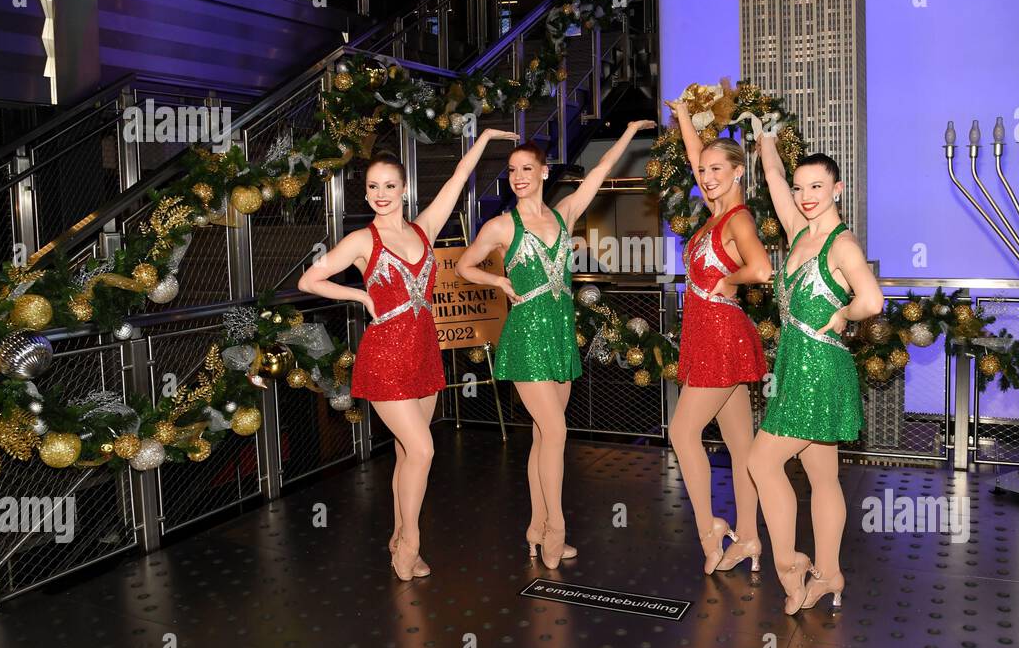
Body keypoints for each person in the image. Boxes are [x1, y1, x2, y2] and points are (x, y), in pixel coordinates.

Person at [297, 127, 519, 581]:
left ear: (405, 189)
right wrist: (361, 298)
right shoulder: (362, 240)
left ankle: (400, 536)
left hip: (423, 355)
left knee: (405, 455)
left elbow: (458, 178)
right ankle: (410, 546)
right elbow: (309, 281)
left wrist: (485, 138)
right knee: (423, 450)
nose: (381, 194)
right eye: (373, 187)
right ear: (366, 192)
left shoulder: (424, 229)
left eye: (390, 186)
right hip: (384, 358)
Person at [457, 120, 656, 569]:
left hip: (560, 335)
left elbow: (601, 171)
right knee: (557, 433)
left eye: (527, 168)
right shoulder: (501, 226)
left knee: (543, 437)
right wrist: (499, 280)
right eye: (512, 170)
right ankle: (556, 532)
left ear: (544, 172)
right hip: (526, 336)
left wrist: (627, 133)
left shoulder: (564, 213)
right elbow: (465, 265)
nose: (519, 176)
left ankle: (535, 526)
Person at [748, 133, 883, 615]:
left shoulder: (842, 244)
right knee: (823, 478)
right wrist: (764, 139)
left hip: (820, 369)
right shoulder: (799, 231)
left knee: (761, 463)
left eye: (817, 187)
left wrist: (844, 316)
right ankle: (830, 574)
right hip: (795, 365)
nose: (805, 196)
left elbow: (873, 301)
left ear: (837, 189)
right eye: (802, 187)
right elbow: (773, 178)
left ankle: (790, 562)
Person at [667, 95, 771, 574]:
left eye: (716, 170)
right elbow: (694, 156)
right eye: (703, 171)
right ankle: (748, 538)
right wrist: (685, 119)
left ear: (738, 172)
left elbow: (763, 269)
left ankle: (709, 525)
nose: (707, 177)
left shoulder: (738, 218)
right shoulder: (714, 212)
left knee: (682, 431)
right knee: (741, 449)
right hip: (709, 334)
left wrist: (730, 281)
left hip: (721, 337)